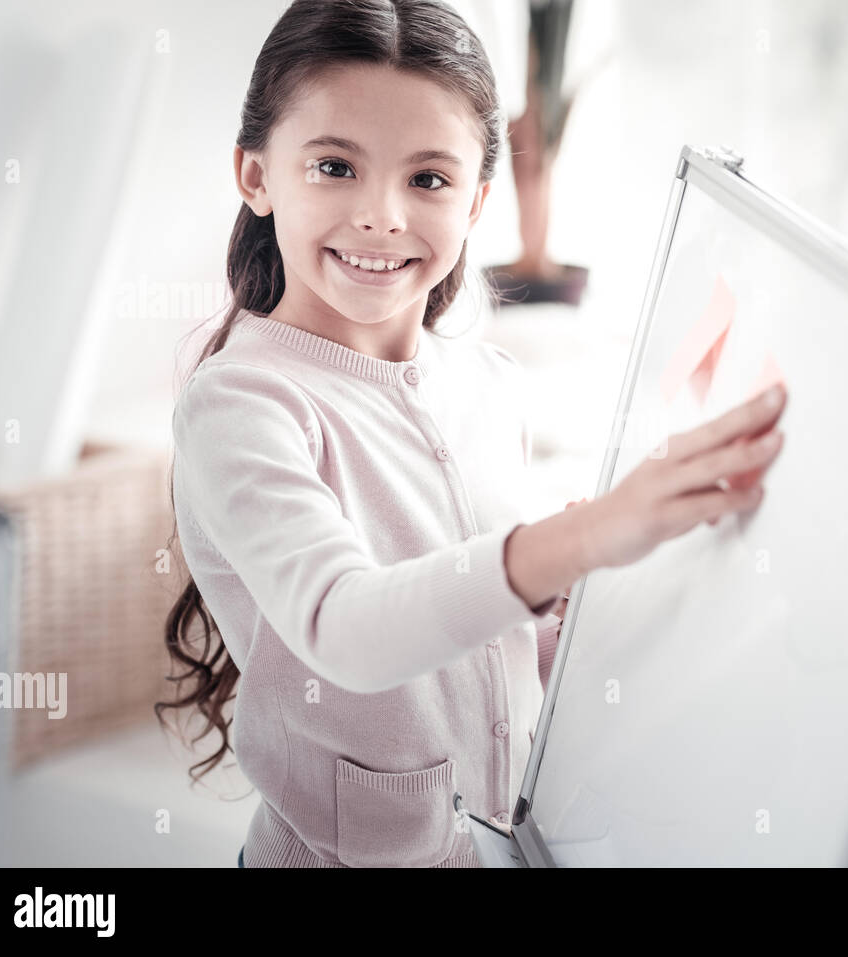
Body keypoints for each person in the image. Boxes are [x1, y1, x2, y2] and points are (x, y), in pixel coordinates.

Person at [155, 0, 787, 869]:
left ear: (479, 199)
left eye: (428, 178)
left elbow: (478, 643)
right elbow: (349, 628)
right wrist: (572, 538)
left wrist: (585, 599)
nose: (382, 214)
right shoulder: (240, 406)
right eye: (335, 165)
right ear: (257, 175)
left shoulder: (489, 386)